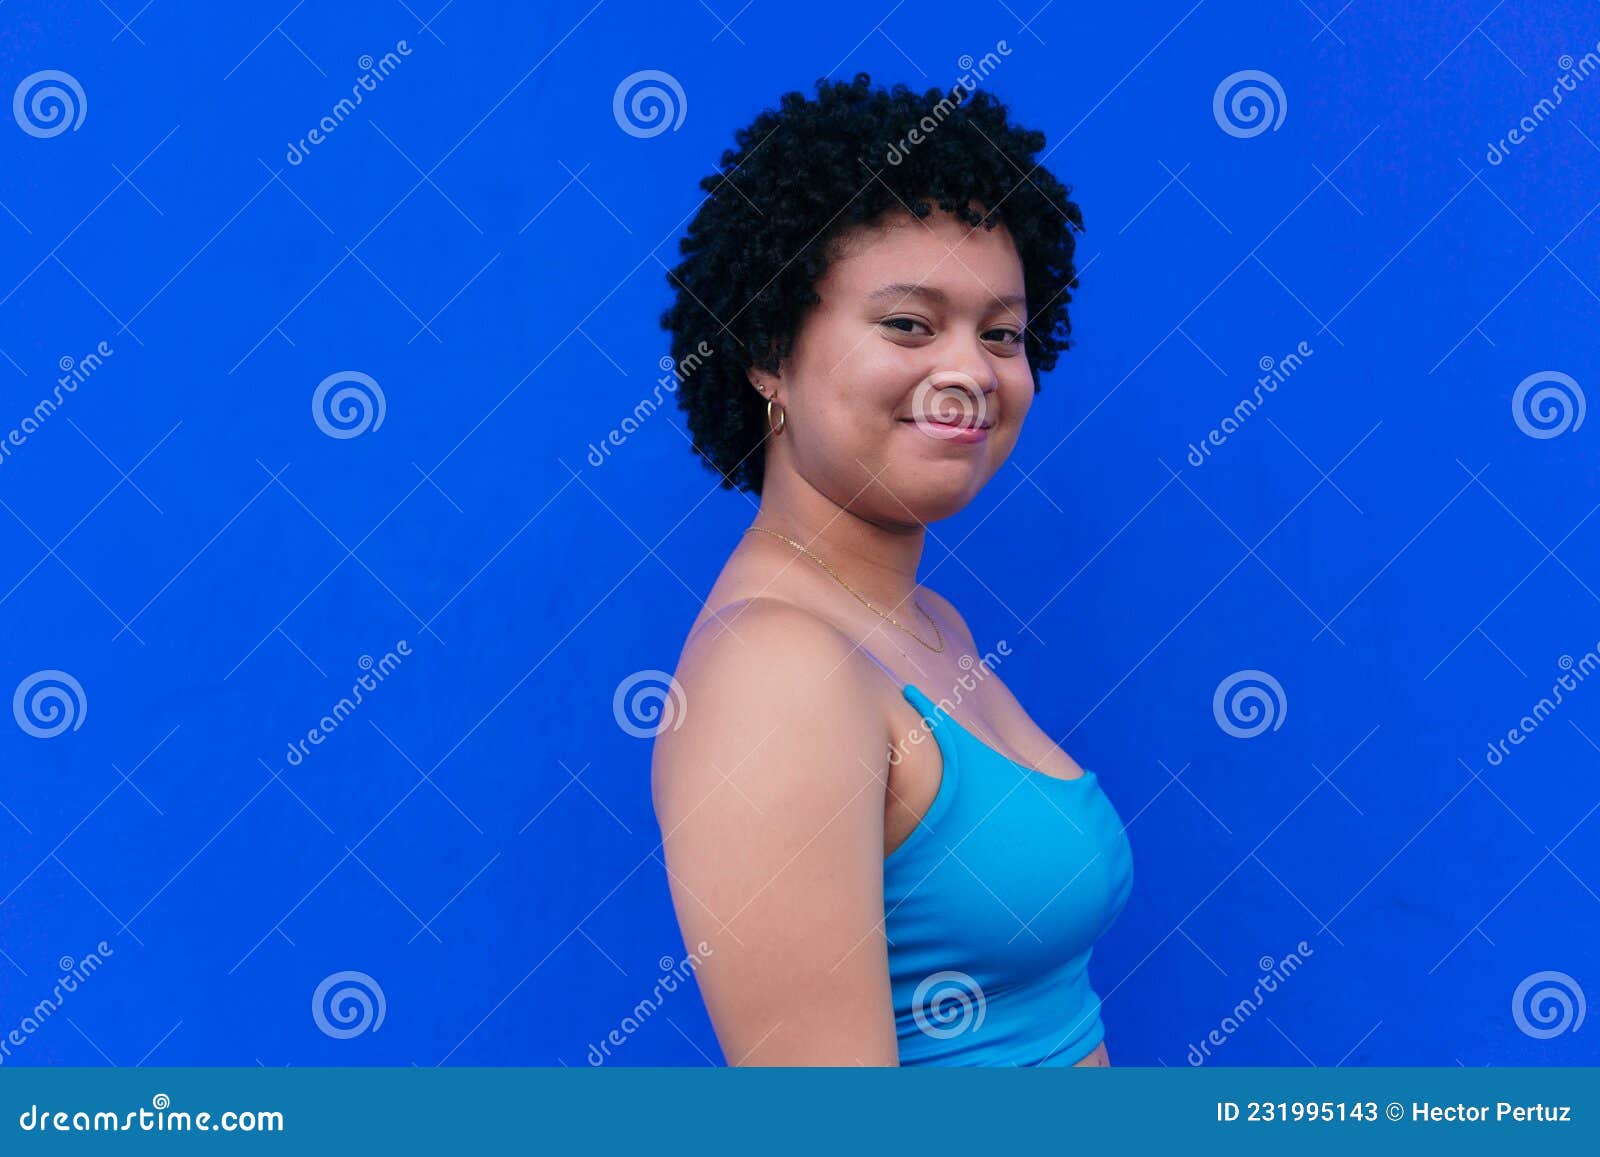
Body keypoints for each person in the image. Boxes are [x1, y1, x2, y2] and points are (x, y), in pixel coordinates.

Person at [650, 73, 1134, 1066]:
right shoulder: (775, 677)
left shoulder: (927, 622)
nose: (970, 371)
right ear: (769, 353)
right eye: (910, 324)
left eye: (1001, 334)